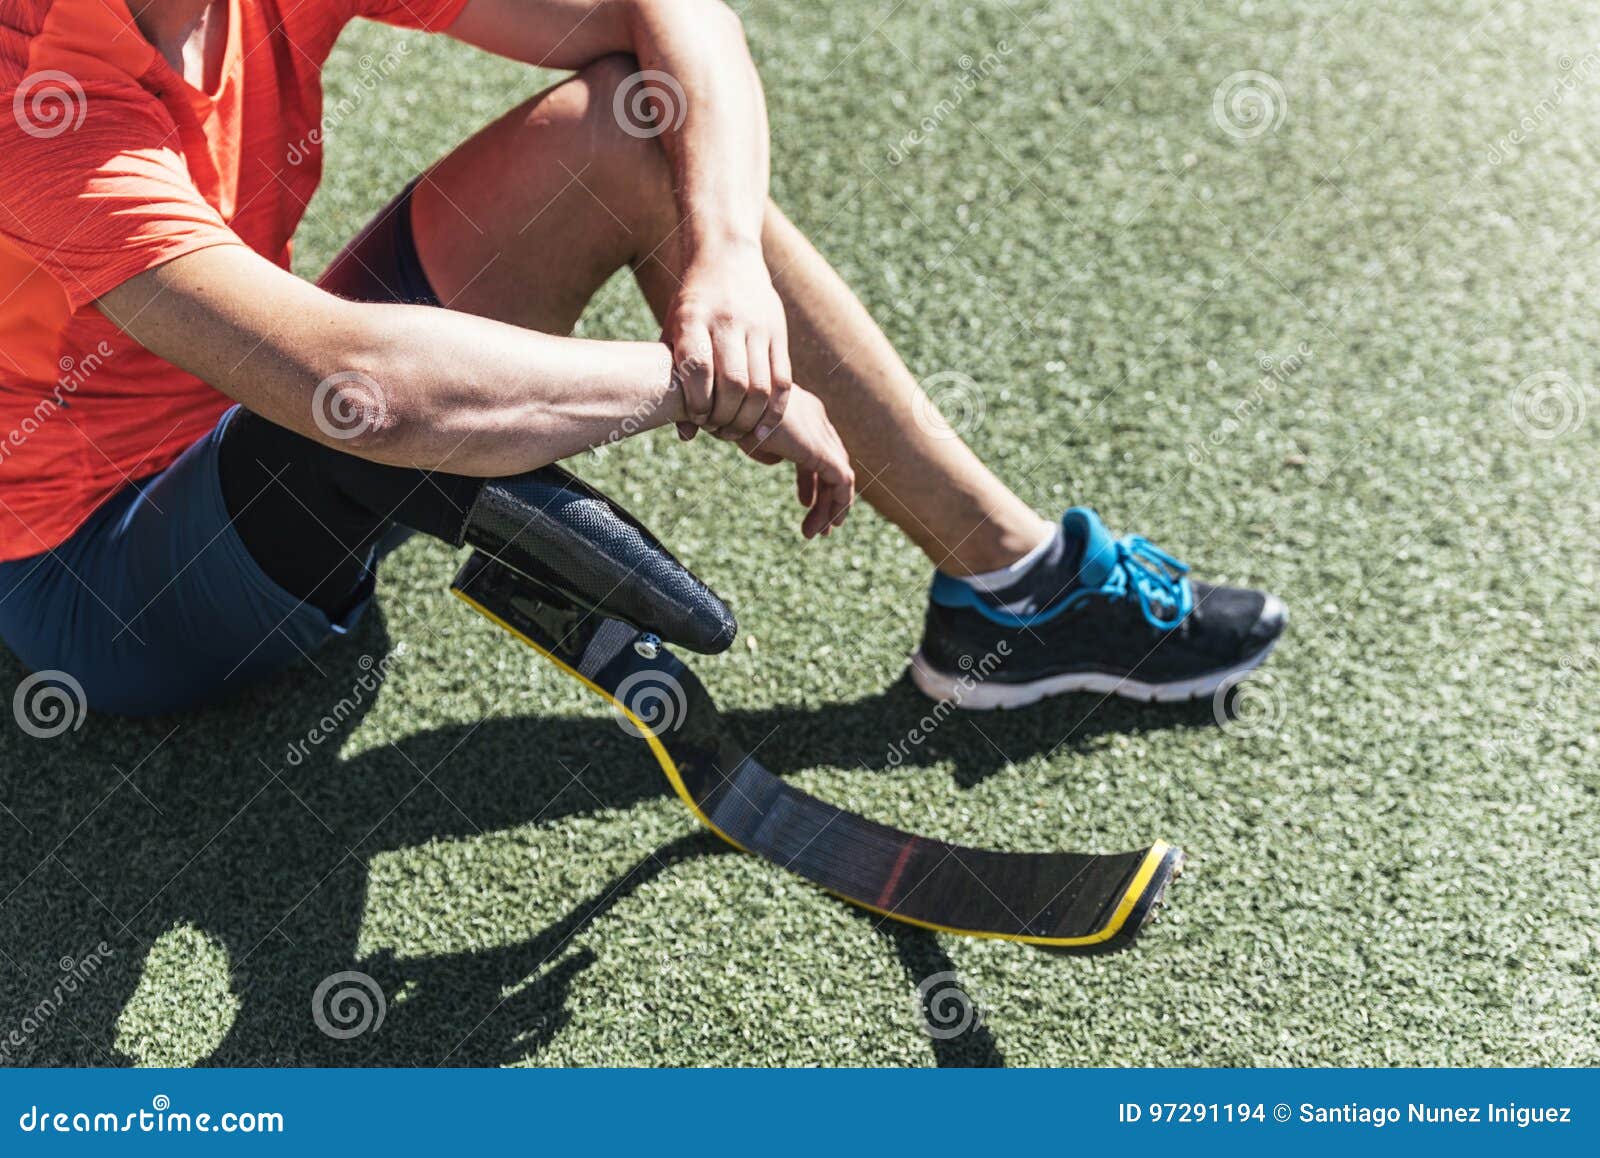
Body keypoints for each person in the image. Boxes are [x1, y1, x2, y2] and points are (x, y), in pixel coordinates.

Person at [0, 0, 1284, 716]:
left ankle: (1021, 590)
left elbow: (664, 12)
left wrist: (721, 255)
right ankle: (460, 465)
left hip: (267, 409)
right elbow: (358, 386)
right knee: (371, 411)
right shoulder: (40, 103)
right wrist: (692, 384)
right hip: (101, 582)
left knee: (630, 120)